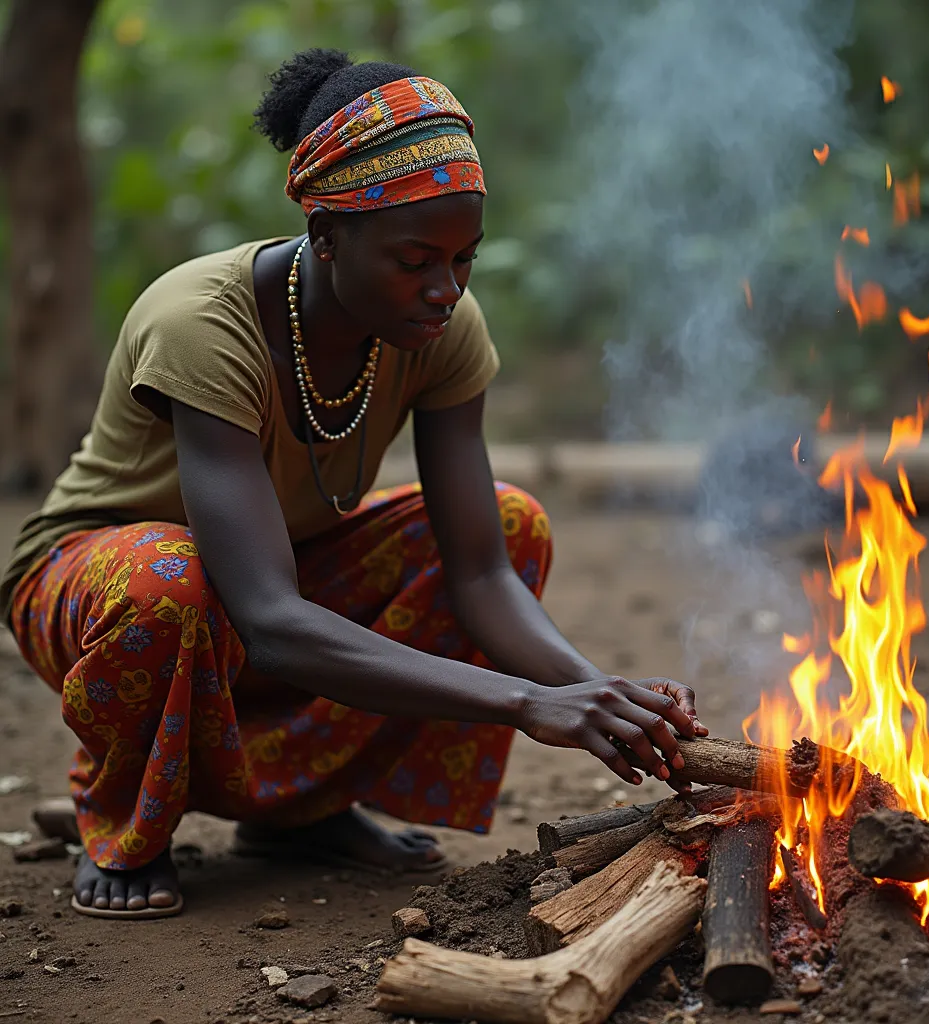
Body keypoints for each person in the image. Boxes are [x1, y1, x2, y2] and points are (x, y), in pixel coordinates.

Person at [0, 49, 706, 920]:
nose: (445, 288)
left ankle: (302, 813)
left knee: (515, 523)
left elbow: (481, 572)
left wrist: (604, 698)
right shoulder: (203, 324)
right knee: (169, 583)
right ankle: (124, 829)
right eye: (416, 259)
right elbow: (271, 620)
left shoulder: (441, 329)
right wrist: (526, 702)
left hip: (270, 577)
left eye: (465, 258)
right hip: (99, 587)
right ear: (326, 237)